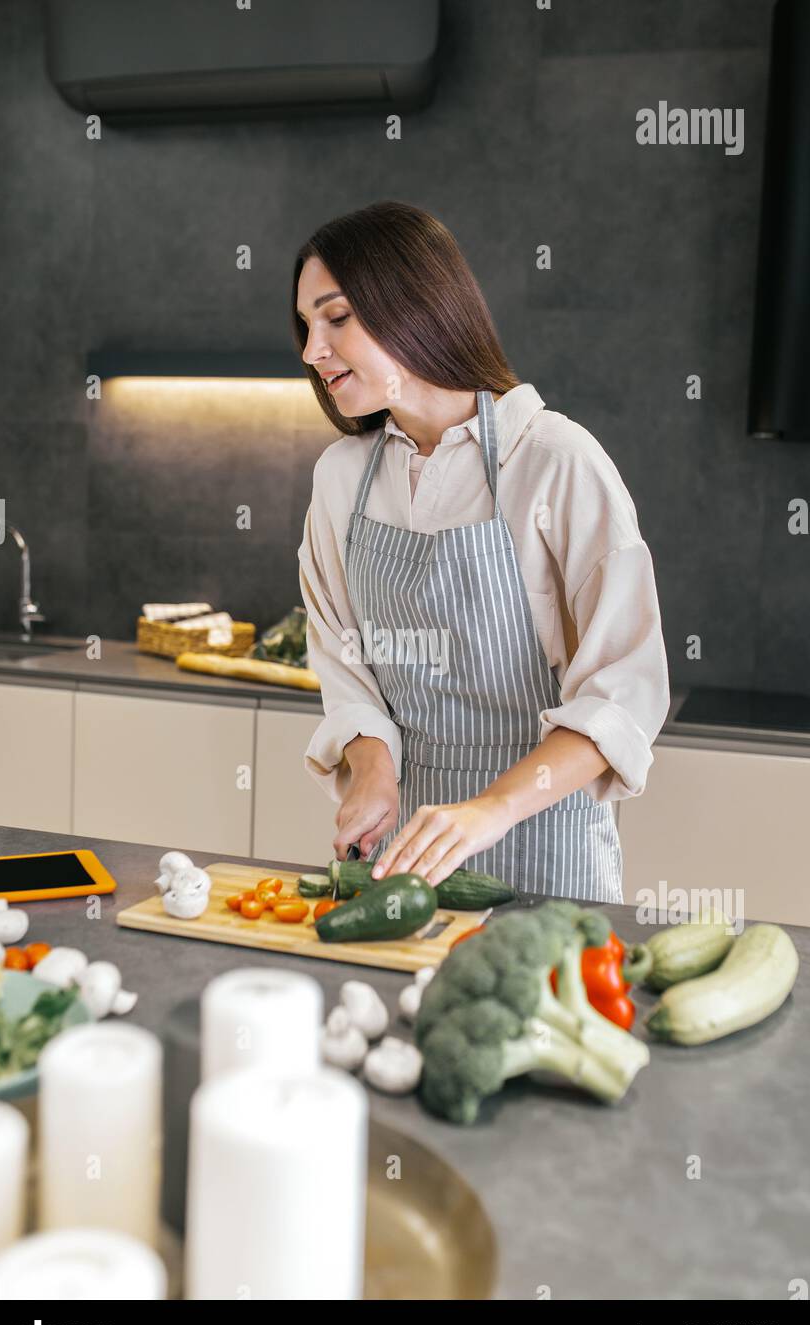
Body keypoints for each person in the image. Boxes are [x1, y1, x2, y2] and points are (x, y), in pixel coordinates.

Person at [293, 201, 669, 903]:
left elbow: (622, 695)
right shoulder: (342, 477)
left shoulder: (556, 461)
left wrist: (489, 811)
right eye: (307, 327)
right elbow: (344, 660)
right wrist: (373, 769)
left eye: (335, 317)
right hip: (406, 860)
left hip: (550, 850)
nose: (313, 350)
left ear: (413, 303)